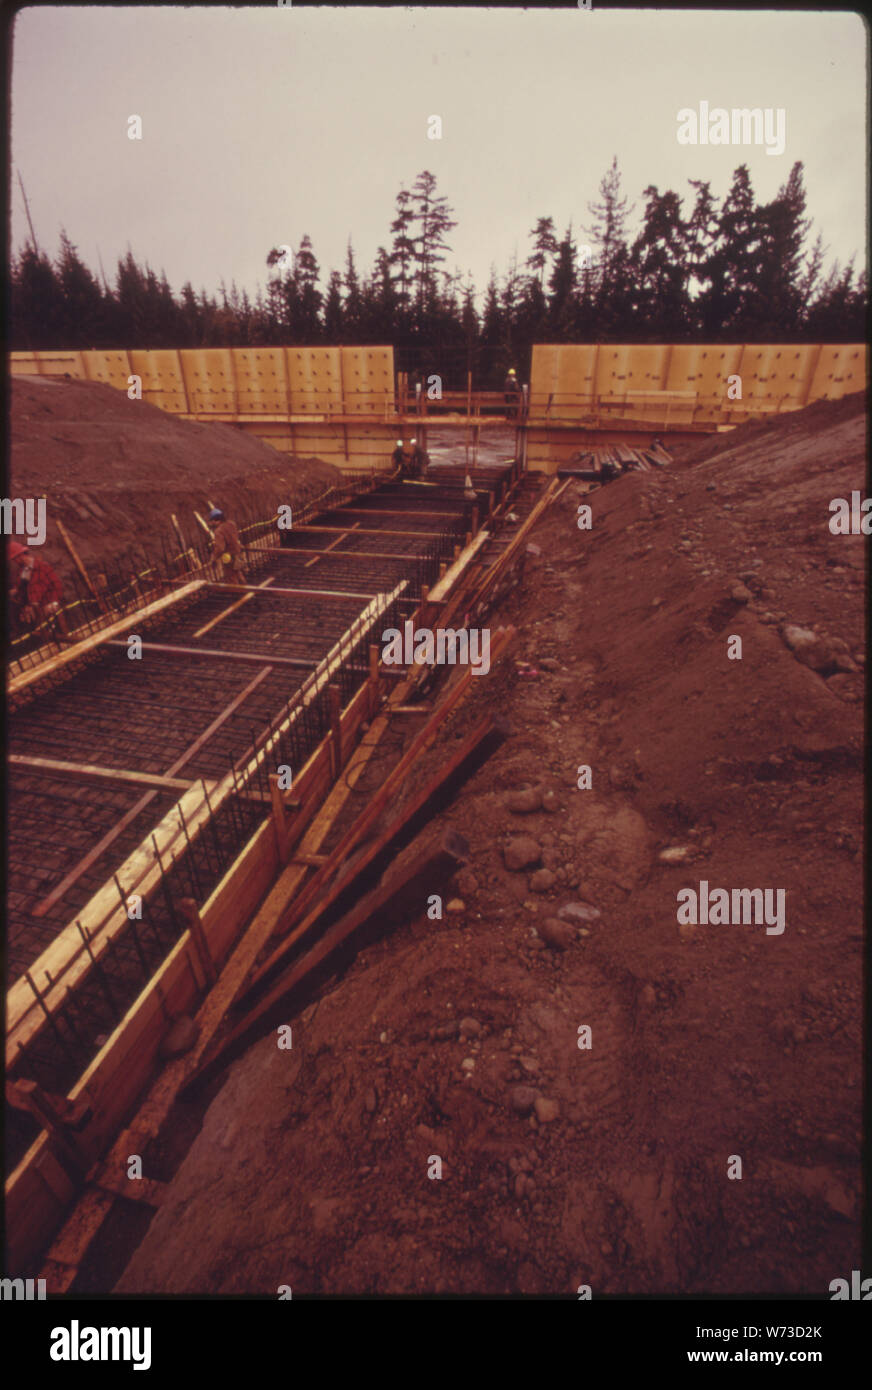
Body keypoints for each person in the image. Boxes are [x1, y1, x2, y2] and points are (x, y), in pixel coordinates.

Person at [8, 539, 68, 638]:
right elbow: (23, 590)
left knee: (58, 636)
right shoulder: (22, 572)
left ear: (20, 556)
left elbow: (57, 586)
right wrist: (16, 594)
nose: (14, 562)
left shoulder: (42, 567)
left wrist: (53, 602)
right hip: (37, 612)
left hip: (49, 609)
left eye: (14, 559)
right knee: (41, 635)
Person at [208, 507, 245, 584]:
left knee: (231, 577)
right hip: (238, 553)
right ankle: (245, 589)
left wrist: (213, 559)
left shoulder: (218, 531)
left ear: (216, 520)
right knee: (238, 573)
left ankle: (237, 594)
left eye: (212, 521)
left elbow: (220, 548)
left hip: (229, 558)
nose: (211, 524)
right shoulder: (231, 524)